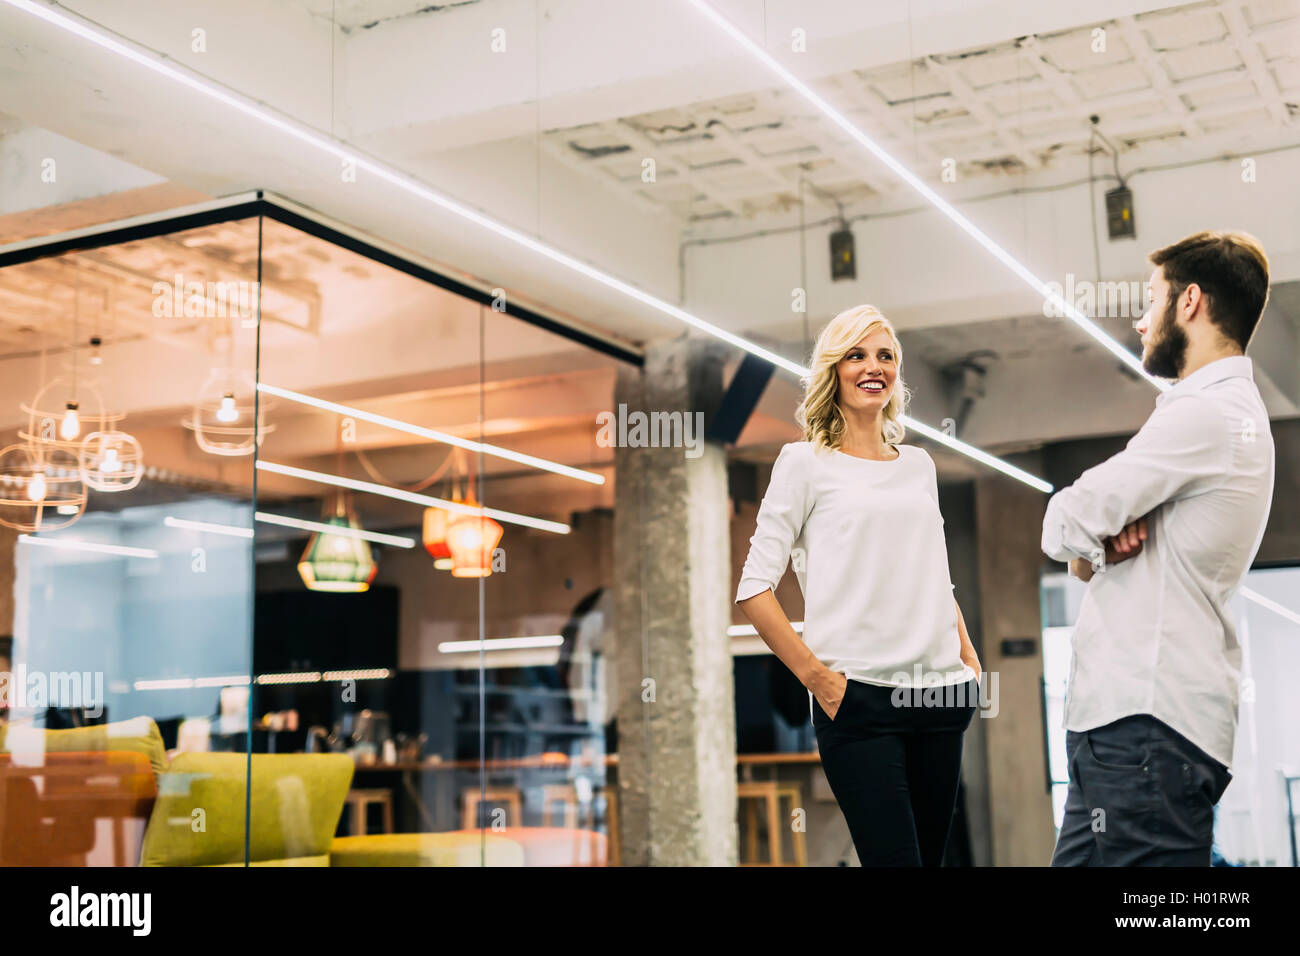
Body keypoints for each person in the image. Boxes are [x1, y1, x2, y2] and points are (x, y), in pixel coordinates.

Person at [1041, 230, 1274, 866]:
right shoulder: (1209, 414)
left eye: (1152, 299)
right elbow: (1086, 553)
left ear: (1190, 301)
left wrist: (1082, 530)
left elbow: (1064, 522)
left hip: (1145, 726)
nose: (1142, 320)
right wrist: (1094, 544)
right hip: (1122, 726)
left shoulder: (1205, 415)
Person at [735, 304, 981, 867]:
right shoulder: (804, 463)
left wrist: (968, 661)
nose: (873, 367)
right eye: (856, 354)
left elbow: (937, 580)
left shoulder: (918, 465)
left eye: (885, 356)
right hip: (858, 699)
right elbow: (754, 589)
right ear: (834, 370)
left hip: (941, 693)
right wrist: (820, 681)